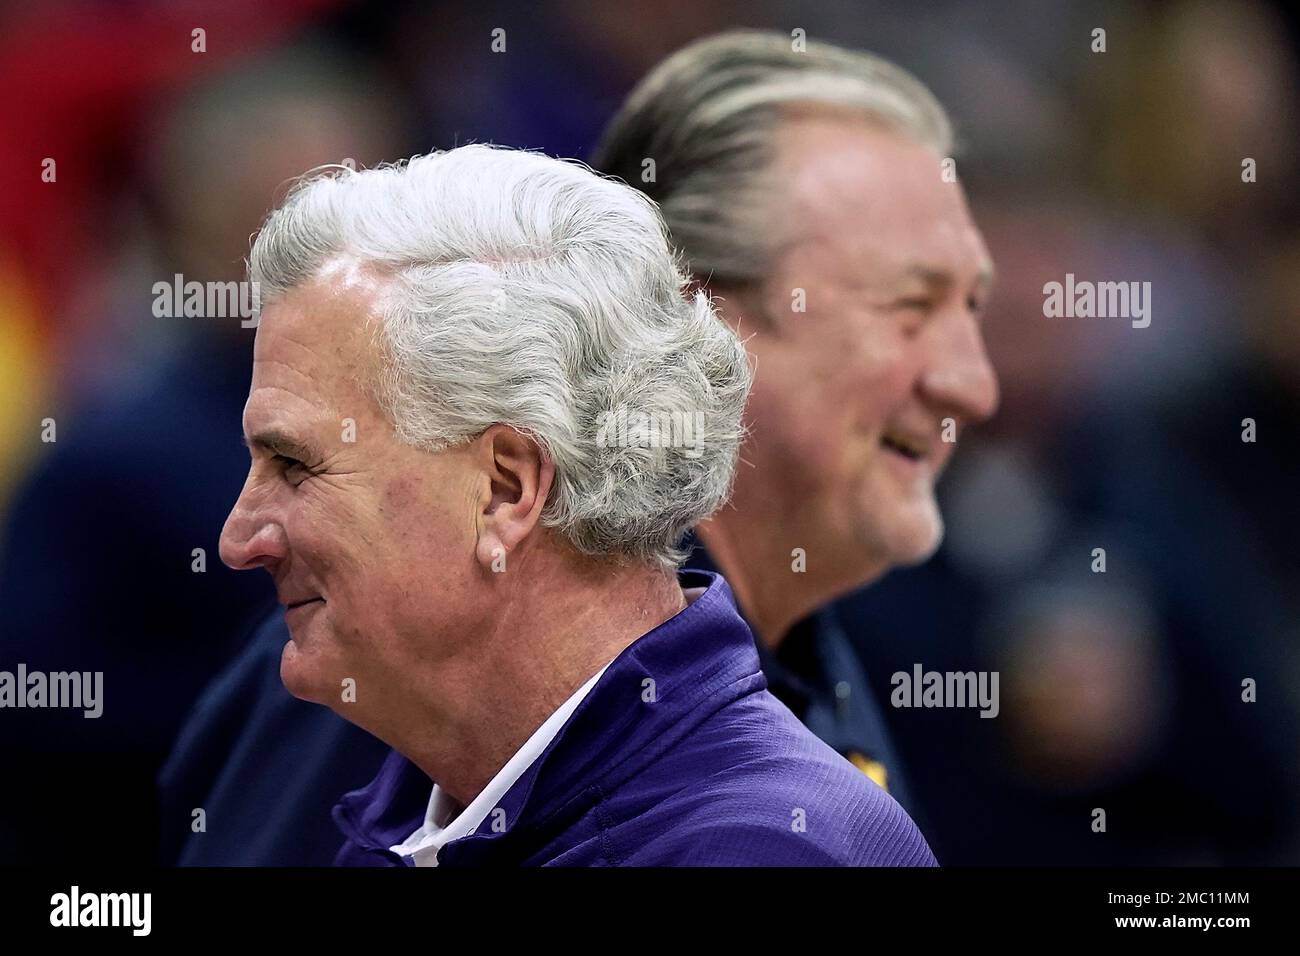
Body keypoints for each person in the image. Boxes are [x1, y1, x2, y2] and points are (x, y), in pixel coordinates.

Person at [162, 30, 996, 865]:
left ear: (506, 489)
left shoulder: (781, 800)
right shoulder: (390, 671)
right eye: (910, 308)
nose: (973, 384)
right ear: (698, 307)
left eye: (297, 464)